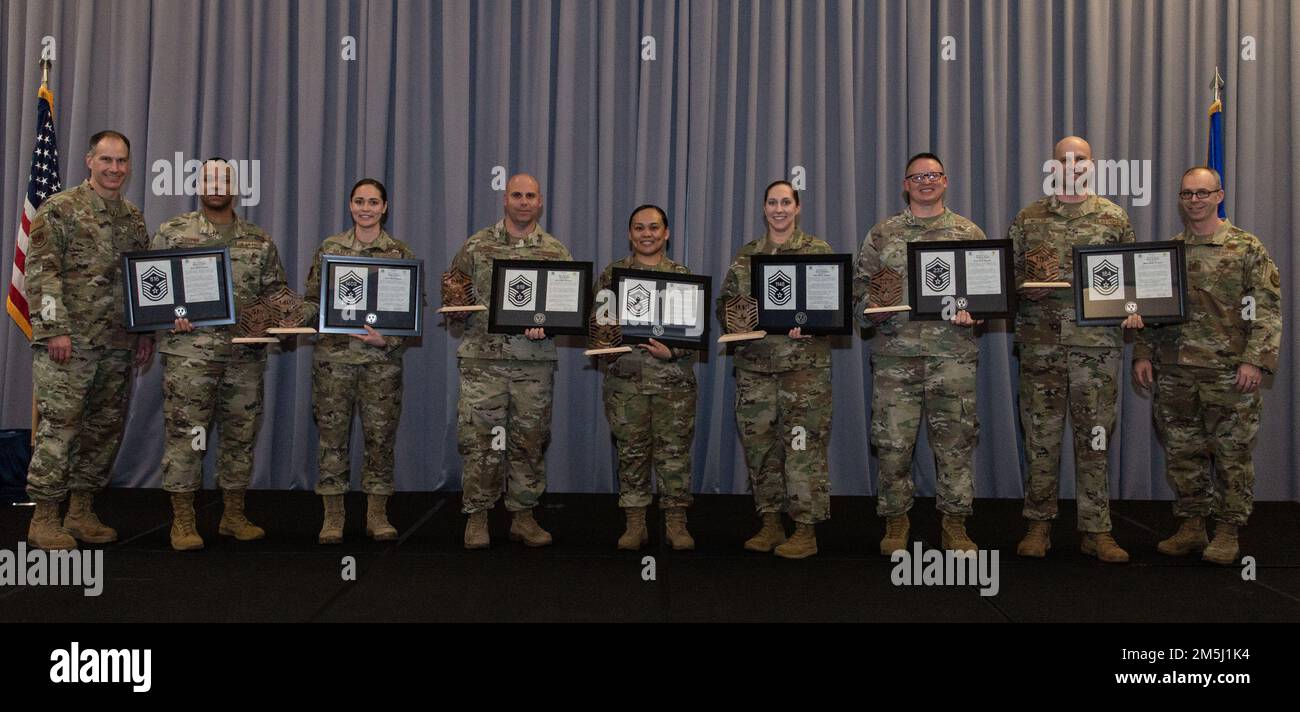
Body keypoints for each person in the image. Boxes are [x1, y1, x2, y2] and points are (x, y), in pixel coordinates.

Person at [1133, 167, 1282, 565]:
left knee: (1232, 454)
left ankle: (1228, 531)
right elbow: (1148, 308)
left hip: (1229, 372)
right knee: (1183, 452)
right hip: (1175, 370)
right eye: (1187, 194)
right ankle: (1192, 525)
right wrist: (1143, 352)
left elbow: (1267, 312)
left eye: (1202, 193)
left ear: (1219, 196)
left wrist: (1255, 361)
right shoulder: (1167, 251)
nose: (1194, 200)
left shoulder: (1246, 248)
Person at [1009, 136, 1139, 563]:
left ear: (1092, 164)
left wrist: (1134, 309)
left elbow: (1131, 280)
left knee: (1095, 442)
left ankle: (1097, 530)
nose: (1072, 164)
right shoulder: (1028, 219)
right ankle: (1038, 525)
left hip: (1096, 350)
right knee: (1040, 440)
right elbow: (1004, 279)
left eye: (1080, 158)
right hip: (1041, 347)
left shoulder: (1113, 218)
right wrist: (1022, 290)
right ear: (1052, 165)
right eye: (1064, 158)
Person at [22, 130, 152, 550]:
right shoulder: (61, 208)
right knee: (59, 429)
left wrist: (145, 329)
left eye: (122, 161)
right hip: (70, 344)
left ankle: (80, 511)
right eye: (107, 160)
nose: (115, 168)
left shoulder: (132, 217)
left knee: (102, 431)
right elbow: (41, 273)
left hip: (116, 344)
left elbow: (144, 282)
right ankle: (44, 517)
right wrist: (55, 329)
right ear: (89, 161)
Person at [154, 158, 289, 551]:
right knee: (188, 437)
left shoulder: (259, 240)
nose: (216, 185)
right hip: (189, 356)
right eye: (209, 179)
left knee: (239, 436)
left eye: (223, 179)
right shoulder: (173, 233)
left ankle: (232, 515)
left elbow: (275, 293)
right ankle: (183, 520)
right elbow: (152, 286)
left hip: (243, 358)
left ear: (235, 186)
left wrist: (287, 316)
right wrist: (169, 315)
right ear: (198, 185)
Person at [853, 152, 984, 555]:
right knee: (892, 447)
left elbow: (986, 295)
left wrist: (976, 315)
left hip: (953, 359)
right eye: (917, 176)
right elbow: (858, 294)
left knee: (956, 447)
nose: (926, 181)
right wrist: (874, 310)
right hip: (896, 361)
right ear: (906, 185)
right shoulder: (882, 234)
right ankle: (895, 523)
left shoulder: (969, 233)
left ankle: (956, 526)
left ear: (945, 181)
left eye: (933, 175)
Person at [447, 174, 572, 548]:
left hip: (533, 365)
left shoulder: (556, 251)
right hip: (482, 363)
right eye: (516, 194)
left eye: (530, 195)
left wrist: (547, 327)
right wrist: (454, 308)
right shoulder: (475, 246)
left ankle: (523, 516)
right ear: (505, 200)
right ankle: (478, 517)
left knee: (529, 442)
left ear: (540, 201)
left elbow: (566, 309)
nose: (523, 201)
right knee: (480, 441)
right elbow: (455, 301)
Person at [716, 180, 832, 559]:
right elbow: (725, 307)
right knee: (760, 448)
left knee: (802, 447)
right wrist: (736, 321)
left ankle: (805, 529)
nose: (778, 209)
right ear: (763, 208)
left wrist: (815, 321)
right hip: (755, 369)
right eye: (772, 202)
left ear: (797, 207)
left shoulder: (818, 252)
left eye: (786, 202)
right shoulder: (745, 256)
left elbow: (835, 305)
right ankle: (769, 523)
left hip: (804, 373)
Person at [302, 179, 418, 544]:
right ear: (350, 206)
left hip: (380, 363)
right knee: (332, 440)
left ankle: (377, 515)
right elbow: (311, 300)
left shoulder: (399, 253)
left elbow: (411, 312)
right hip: (333, 362)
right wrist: (292, 315)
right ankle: (333, 517)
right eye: (358, 201)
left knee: (380, 440)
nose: (365, 208)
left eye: (373, 202)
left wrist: (390, 339)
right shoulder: (330, 249)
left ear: (385, 207)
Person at [595, 205, 698, 550]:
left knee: (674, 453)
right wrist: (606, 343)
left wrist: (674, 352)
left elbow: (691, 334)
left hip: (673, 384)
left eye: (654, 227)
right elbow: (596, 325)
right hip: (626, 384)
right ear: (630, 233)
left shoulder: (681, 275)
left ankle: (676, 522)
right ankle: (635, 522)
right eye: (639, 228)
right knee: (632, 452)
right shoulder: (612, 275)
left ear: (666, 233)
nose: (647, 234)